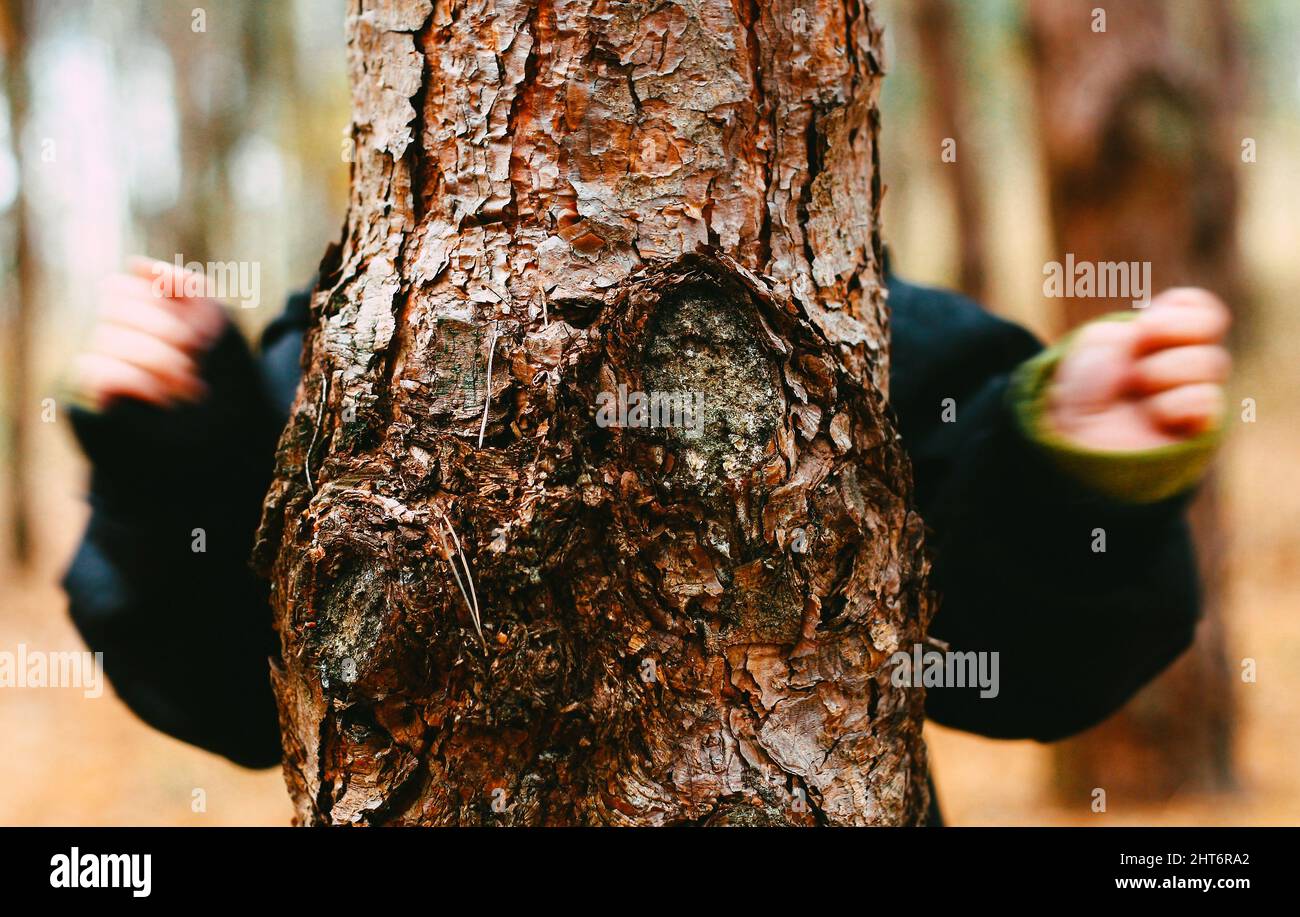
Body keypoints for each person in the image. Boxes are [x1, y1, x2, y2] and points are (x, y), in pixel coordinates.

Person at [62, 255, 1231, 797]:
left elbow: (1024, 671)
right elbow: (225, 696)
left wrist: (1062, 484)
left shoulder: (867, 346)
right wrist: (177, 472)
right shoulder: (332, 372)